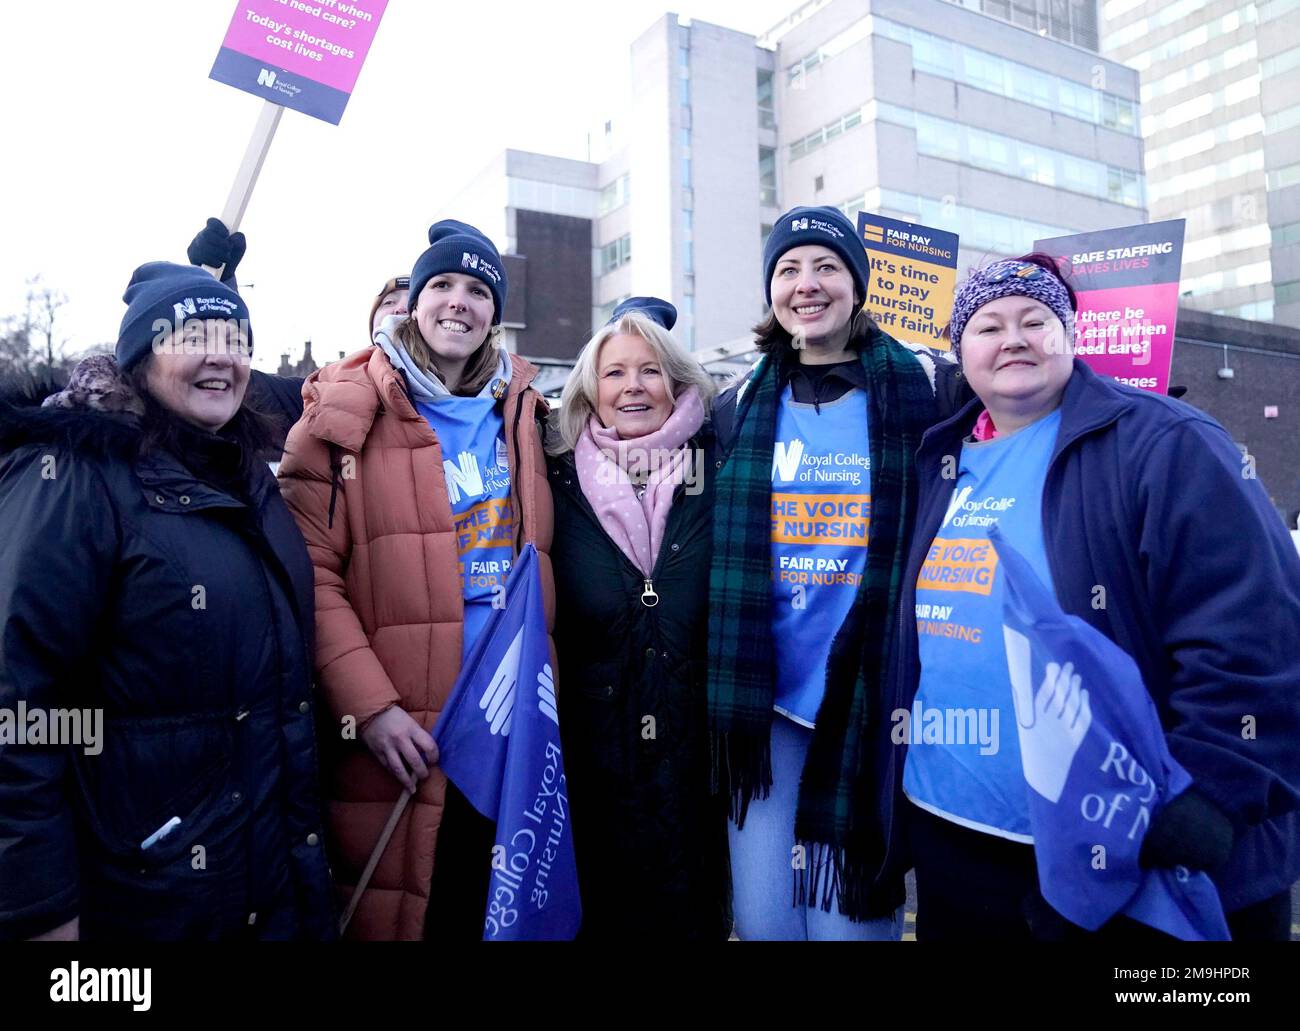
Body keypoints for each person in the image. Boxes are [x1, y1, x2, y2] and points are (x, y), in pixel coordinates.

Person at [886, 253, 1300, 941]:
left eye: (1035, 320)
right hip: (955, 842)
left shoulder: (1164, 443)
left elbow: (1257, 625)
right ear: (960, 351)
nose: (1013, 338)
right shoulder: (942, 460)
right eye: (988, 325)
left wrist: (1212, 788)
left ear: (1071, 336)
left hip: (1130, 847)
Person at [0, 262, 334, 940]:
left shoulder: (252, 484)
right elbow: (15, 704)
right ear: (140, 360)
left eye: (235, 339)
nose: (220, 355)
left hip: (266, 887)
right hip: (139, 902)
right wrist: (42, 909)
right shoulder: (75, 479)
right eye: (191, 336)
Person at [277, 219, 556, 940]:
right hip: (402, 734)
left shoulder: (526, 412)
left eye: (477, 288)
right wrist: (370, 709)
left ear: (496, 309)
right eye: (441, 285)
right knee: (399, 916)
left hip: (506, 730)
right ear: (416, 300)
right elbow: (309, 573)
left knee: (481, 914)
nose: (458, 302)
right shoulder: (339, 415)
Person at [708, 205, 967, 940]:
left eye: (827, 265)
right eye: (788, 269)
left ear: (857, 284)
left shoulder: (924, 390)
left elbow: (1023, 410)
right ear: (772, 292)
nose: (807, 283)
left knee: (847, 927)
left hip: (867, 698)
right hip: (765, 708)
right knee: (763, 923)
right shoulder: (737, 406)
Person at [546, 296, 729, 939]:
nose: (632, 387)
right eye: (615, 372)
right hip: (591, 757)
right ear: (590, 388)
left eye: (650, 370)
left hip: (699, 754)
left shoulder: (719, 465)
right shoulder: (552, 478)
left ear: (676, 380)